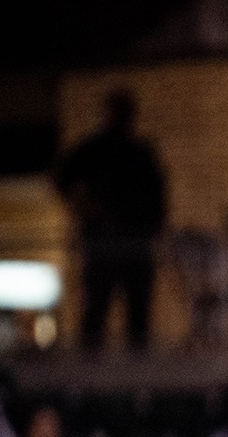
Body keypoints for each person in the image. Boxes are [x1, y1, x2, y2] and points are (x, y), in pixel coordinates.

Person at [54, 89, 166, 352]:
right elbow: (61, 177)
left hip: (134, 240)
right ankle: (90, 364)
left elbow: (157, 199)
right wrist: (83, 208)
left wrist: (154, 228)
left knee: (137, 308)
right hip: (104, 238)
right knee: (98, 305)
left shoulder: (140, 153)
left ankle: (136, 364)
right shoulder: (94, 149)